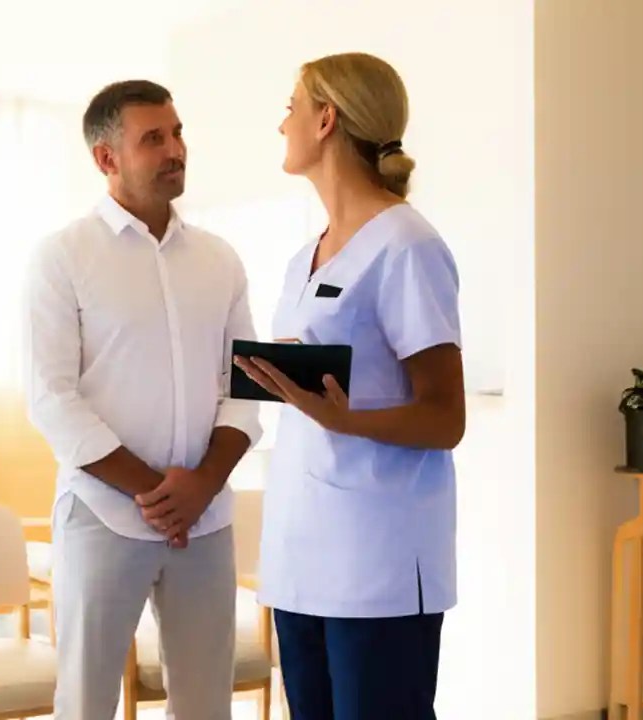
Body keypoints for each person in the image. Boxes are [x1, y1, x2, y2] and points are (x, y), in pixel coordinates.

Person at [234, 52, 466, 720]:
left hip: (378, 563)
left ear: (326, 119)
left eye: (291, 107)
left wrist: (345, 419)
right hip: (301, 551)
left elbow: (444, 417)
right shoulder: (303, 256)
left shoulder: (406, 245)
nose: (283, 125)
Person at [23, 79, 262, 720]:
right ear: (107, 158)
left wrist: (202, 486)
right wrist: (156, 492)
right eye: (152, 138)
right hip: (103, 515)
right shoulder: (62, 257)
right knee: (86, 700)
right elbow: (51, 398)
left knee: (207, 703)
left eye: (178, 132)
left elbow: (245, 388)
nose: (174, 149)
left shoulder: (220, 259)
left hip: (205, 521)